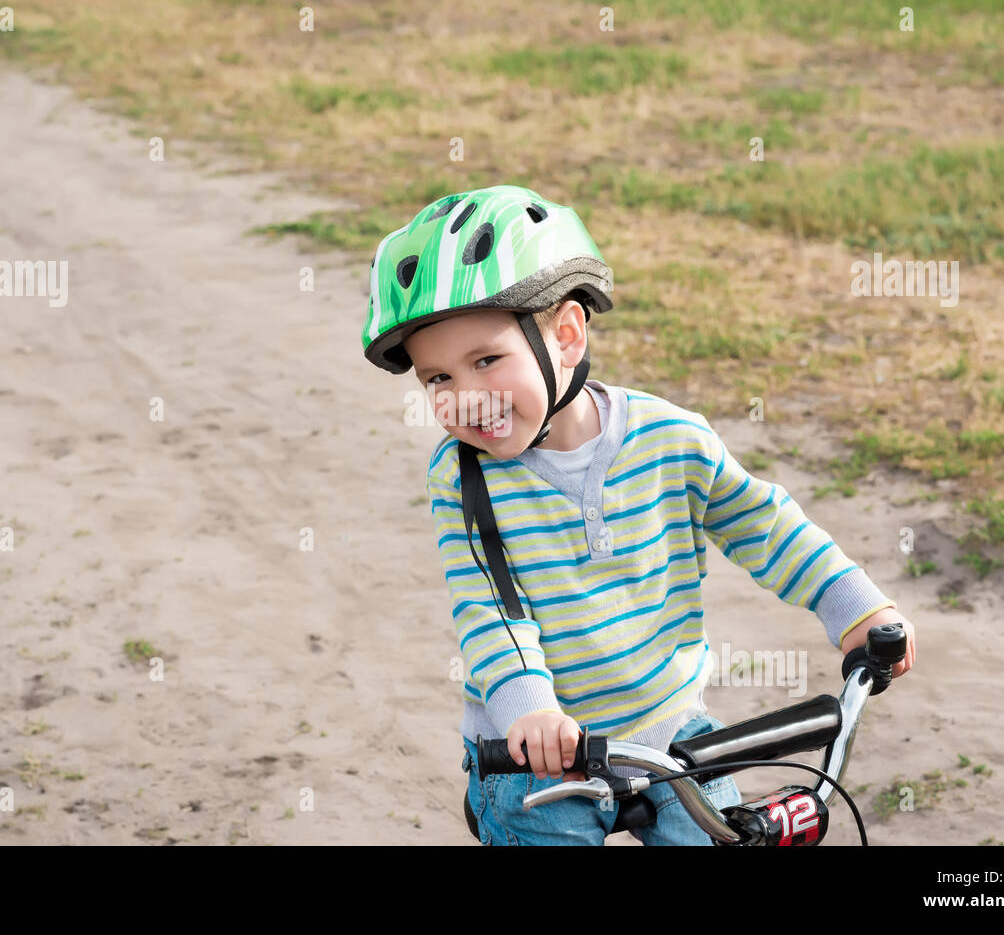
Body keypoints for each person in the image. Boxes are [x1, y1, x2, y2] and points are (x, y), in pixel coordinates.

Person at [361, 184, 917, 845]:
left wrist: (854, 607)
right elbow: (489, 608)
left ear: (566, 335)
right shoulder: (462, 475)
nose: (465, 396)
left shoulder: (669, 438)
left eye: (486, 360)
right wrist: (529, 709)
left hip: (668, 732)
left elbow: (764, 525)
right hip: (534, 758)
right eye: (439, 379)